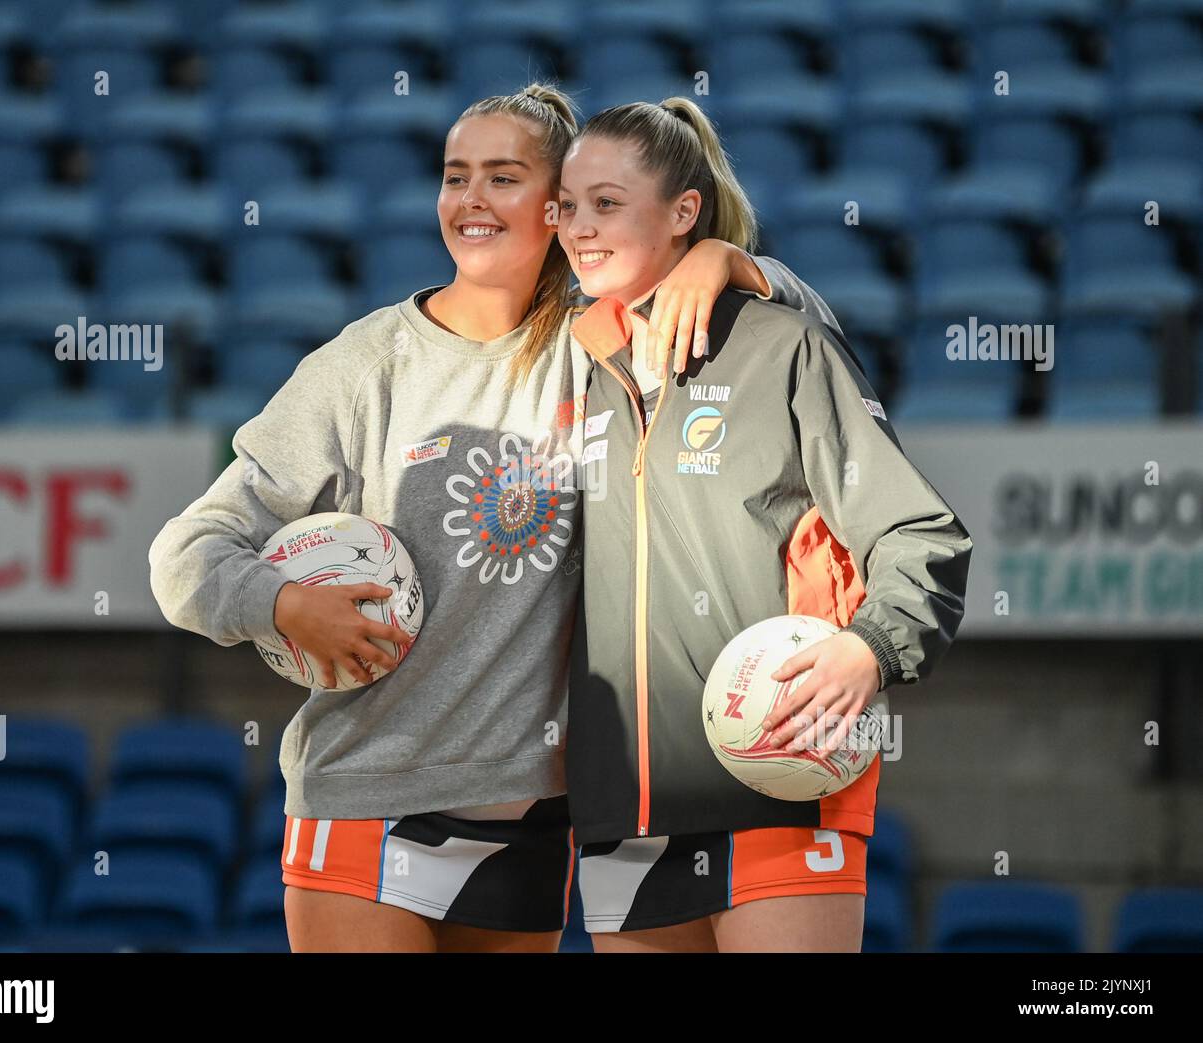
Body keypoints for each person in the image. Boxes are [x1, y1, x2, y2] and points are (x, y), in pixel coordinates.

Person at [148, 83, 833, 953]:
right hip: (367, 801)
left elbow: (808, 345)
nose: (469, 199)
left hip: (536, 824)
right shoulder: (368, 365)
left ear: (560, 206)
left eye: (502, 178)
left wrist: (733, 265)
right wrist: (279, 605)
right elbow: (186, 552)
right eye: (454, 176)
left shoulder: (610, 345)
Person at [558, 98, 973, 952]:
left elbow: (920, 532)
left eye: (607, 202)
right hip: (621, 805)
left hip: (780, 772)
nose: (578, 226)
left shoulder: (782, 346)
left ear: (685, 213)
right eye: (567, 204)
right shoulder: (563, 365)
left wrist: (872, 646)